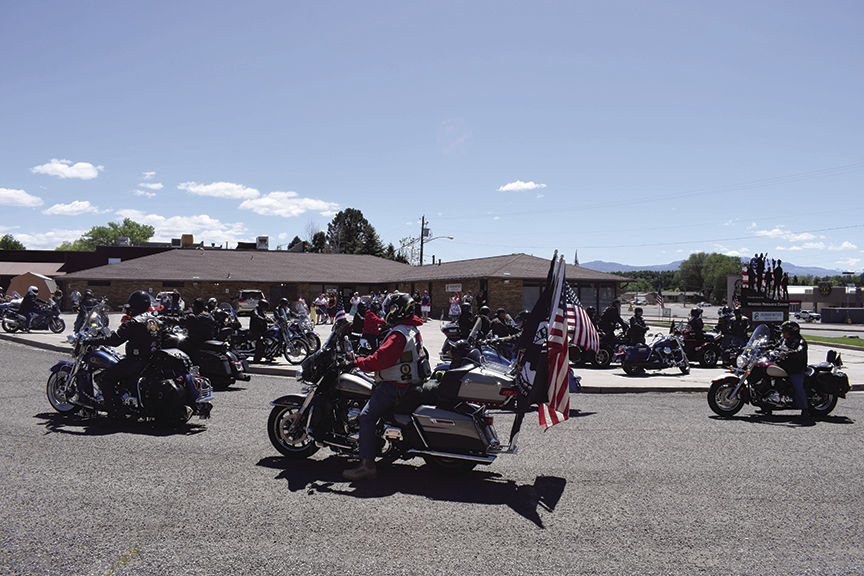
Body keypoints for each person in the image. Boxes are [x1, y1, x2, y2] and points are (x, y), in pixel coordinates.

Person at [343, 292, 428, 481]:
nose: (387, 311)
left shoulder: (398, 334)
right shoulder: (411, 329)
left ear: (398, 311)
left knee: (365, 416)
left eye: (390, 308)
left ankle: (367, 465)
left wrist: (357, 362)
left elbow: (381, 359)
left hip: (395, 386)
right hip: (409, 382)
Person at [87, 290, 162, 417]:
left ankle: (115, 414)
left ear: (134, 305)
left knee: (107, 380)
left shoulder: (132, 322)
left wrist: (92, 340)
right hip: (151, 361)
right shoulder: (155, 321)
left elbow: (115, 340)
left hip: (136, 361)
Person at [777, 321, 809, 420]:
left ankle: (805, 409)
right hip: (785, 365)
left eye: (785, 331)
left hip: (796, 368)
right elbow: (775, 345)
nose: (783, 334)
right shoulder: (784, 340)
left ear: (792, 332)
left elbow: (800, 351)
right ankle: (766, 405)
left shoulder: (800, 341)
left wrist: (788, 353)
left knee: (797, 386)